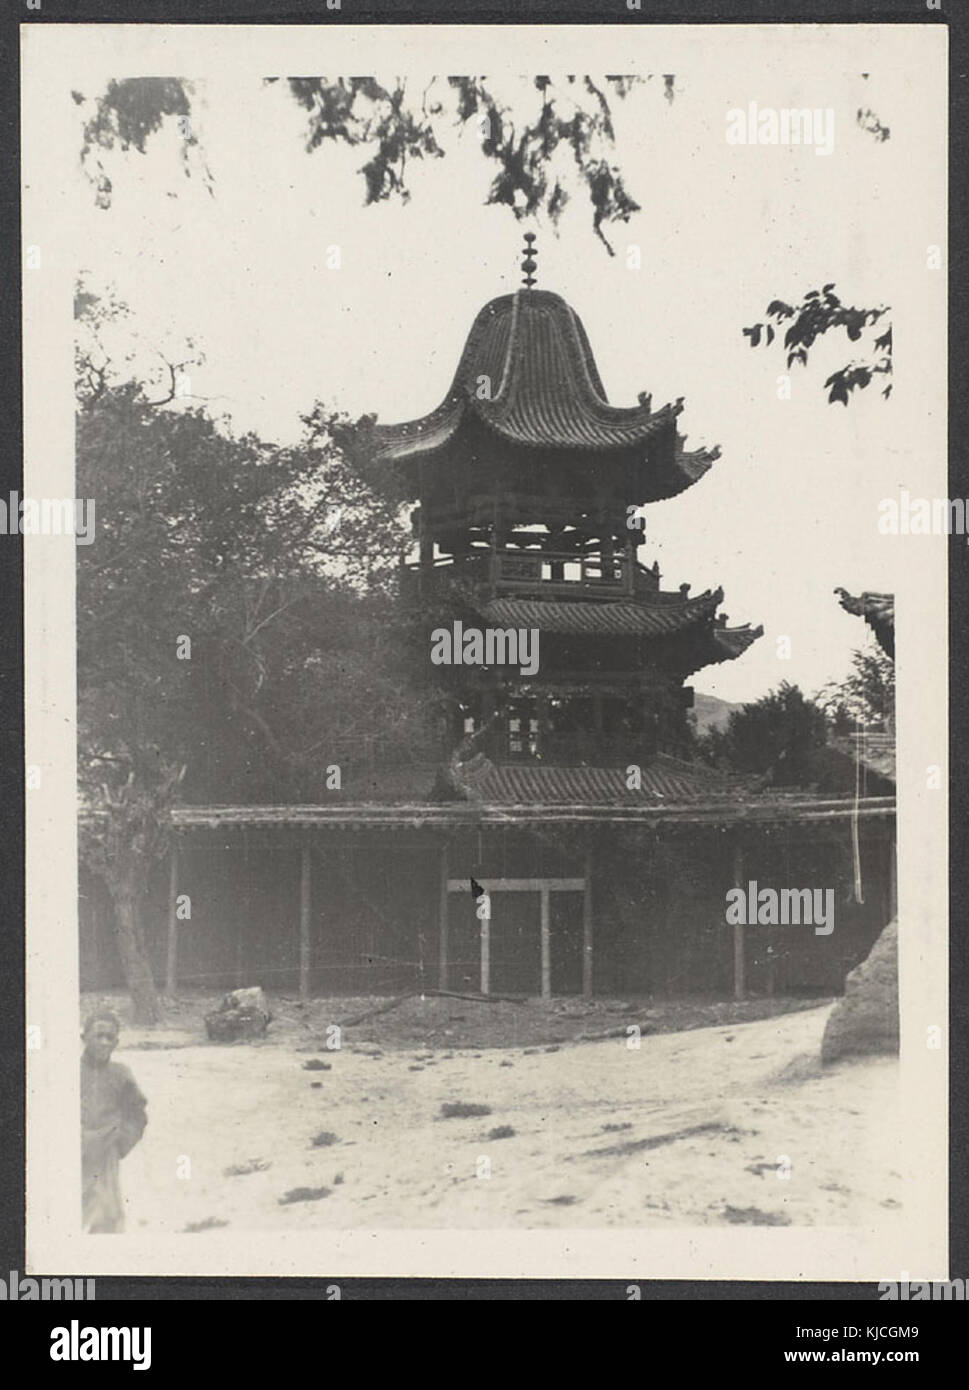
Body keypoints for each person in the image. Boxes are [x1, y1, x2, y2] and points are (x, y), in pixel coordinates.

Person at [80, 1008, 148, 1233]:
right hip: (72, 1152)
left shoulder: (121, 1074)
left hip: (106, 1154)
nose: (103, 1042)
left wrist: (120, 1142)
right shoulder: (68, 1072)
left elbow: (137, 1114)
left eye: (110, 1037)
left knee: (107, 1215)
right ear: (84, 1037)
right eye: (98, 1035)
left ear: (116, 1042)